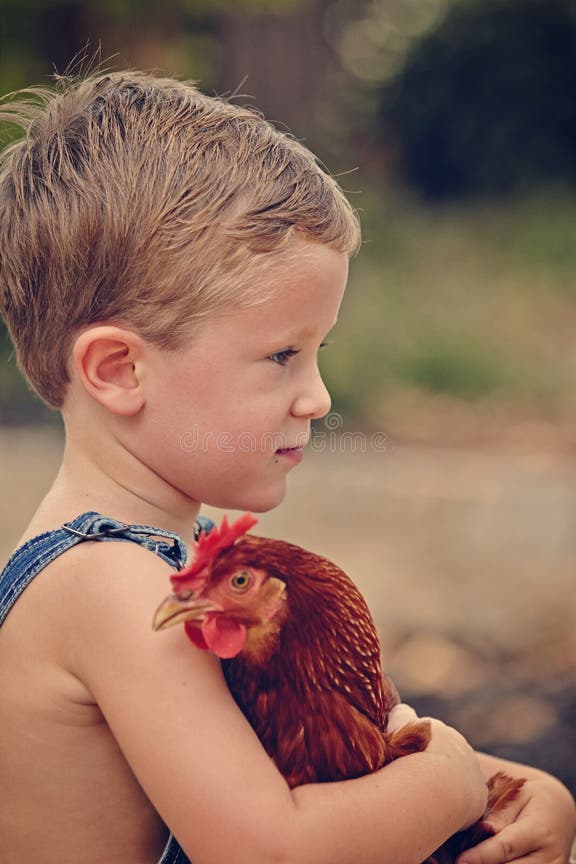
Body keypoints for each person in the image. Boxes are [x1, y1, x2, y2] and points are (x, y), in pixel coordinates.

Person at [0, 69, 573, 864]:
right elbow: (272, 849)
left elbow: (341, 756)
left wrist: (507, 788)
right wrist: (450, 786)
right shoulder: (114, 588)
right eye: (280, 356)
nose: (316, 397)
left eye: (317, 352)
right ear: (119, 371)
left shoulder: (176, 563)